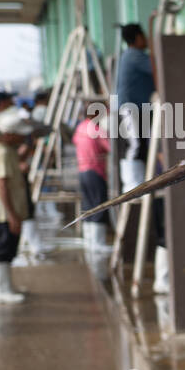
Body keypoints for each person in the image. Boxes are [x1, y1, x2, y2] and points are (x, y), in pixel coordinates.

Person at [116, 22, 168, 292]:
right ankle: (133, 181)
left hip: (135, 109)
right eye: (144, 36)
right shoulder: (135, 57)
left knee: (141, 146)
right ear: (137, 38)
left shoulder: (131, 57)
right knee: (136, 146)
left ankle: (136, 179)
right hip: (132, 110)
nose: (146, 39)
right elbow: (156, 70)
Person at [0, 108, 31, 303]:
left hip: (9, 209)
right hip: (3, 210)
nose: (22, 136)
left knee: (10, 248)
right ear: (9, 134)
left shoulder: (7, 151)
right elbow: (2, 184)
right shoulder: (2, 152)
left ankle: (7, 286)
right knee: (3, 248)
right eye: (19, 133)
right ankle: (1, 290)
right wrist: (12, 214)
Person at [73, 107, 112, 259]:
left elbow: (76, 141)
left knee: (88, 205)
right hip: (95, 171)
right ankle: (98, 244)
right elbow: (110, 147)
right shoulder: (96, 129)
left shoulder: (81, 127)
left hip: (82, 171)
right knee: (98, 205)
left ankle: (90, 242)